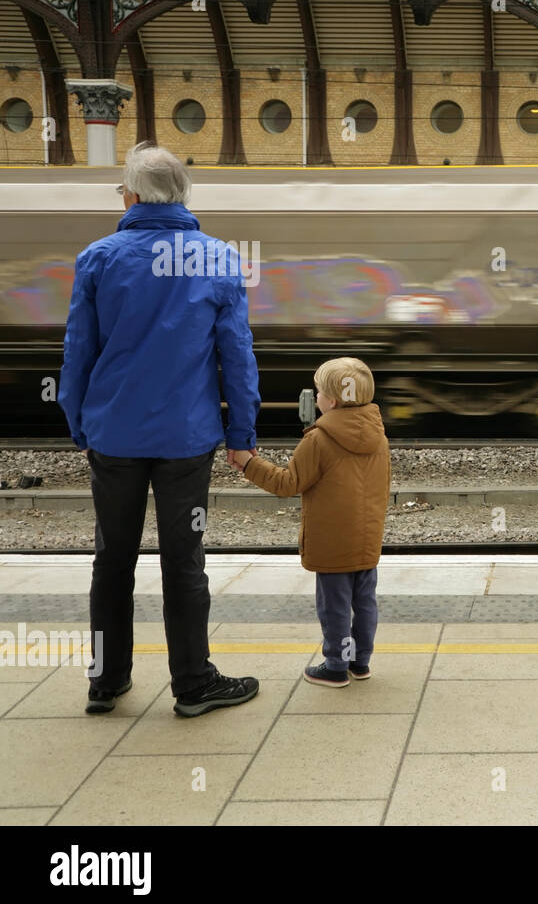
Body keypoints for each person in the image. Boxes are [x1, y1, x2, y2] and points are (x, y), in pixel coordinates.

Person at [59, 142, 261, 717]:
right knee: (184, 560)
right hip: (186, 441)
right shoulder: (218, 258)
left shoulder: (97, 258)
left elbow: (78, 351)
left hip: (114, 439)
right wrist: (242, 435)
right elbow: (237, 358)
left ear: (129, 194)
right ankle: (194, 685)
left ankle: (106, 680)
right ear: (185, 195)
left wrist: (80, 423)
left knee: (112, 560)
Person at [230, 357, 390, 686]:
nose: (315, 397)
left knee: (334, 606)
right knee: (364, 601)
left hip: (332, 541)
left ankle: (335, 666)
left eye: (317, 392)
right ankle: (360, 662)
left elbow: (287, 483)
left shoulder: (319, 440)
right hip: (367, 535)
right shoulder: (379, 437)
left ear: (331, 400)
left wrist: (249, 464)